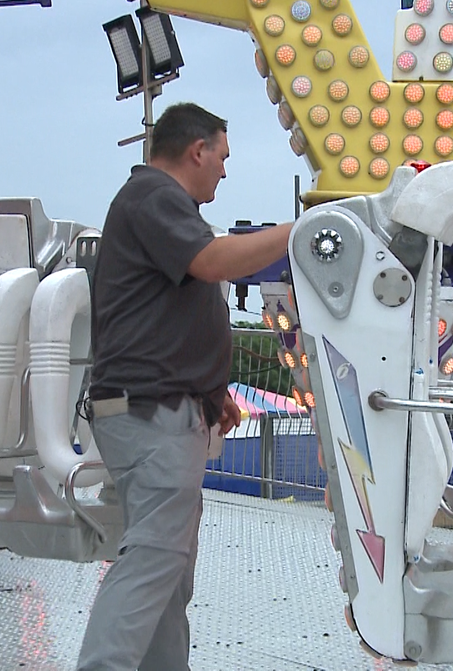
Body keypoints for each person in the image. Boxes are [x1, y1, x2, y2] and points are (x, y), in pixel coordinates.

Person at [78, 102, 293, 670]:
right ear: (197, 150)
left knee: (168, 576)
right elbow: (213, 262)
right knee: (154, 558)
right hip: (153, 417)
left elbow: (158, 314)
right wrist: (300, 233)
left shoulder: (154, 205)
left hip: (164, 409)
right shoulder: (154, 197)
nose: (224, 171)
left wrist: (209, 387)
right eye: (222, 157)